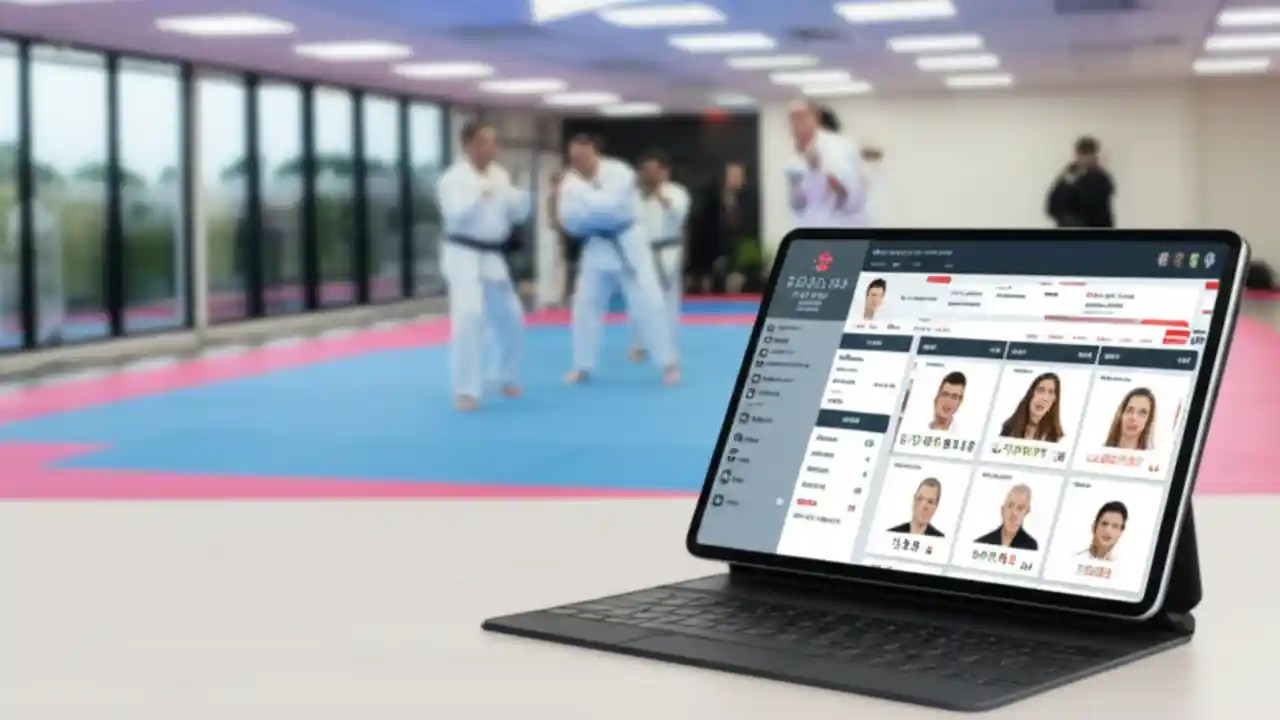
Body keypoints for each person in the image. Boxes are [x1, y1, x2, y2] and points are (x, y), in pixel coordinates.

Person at [557, 134, 679, 386]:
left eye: (583, 156)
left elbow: (609, 206)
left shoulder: (619, 172)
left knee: (649, 301)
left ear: (595, 153)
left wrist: (584, 203)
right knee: (584, 304)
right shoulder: (569, 182)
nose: (579, 162)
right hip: (596, 245)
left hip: (628, 241)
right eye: (574, 158)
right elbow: (569, 220)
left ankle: (667, 363)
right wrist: (588, 213)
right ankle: (582, 365)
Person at [436, 120, 531, 412]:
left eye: (493, 142)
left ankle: (505, 376)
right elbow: (456, 212)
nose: (491, 148)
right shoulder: (452, 178)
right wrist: (480, 192)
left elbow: (516, 215)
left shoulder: (500, 175)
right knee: (470, 315)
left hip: (491, 255)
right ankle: (466, 390)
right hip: (462, 252)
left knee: (512, 316)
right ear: (468, 145)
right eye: (484, 142)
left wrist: (521, 195)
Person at [629, 149, 690, 363]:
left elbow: (678, 215)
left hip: (668, 251)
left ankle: (669, 346)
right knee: (639, 297)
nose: (650, 175)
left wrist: (658, 195)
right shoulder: (634, 195)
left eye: (655, 170)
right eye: (646, 171)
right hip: (640, 249)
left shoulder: (676, 192)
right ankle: (639, 343)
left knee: (668, 301)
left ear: (665, 172)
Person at [785, 98, 866, 228]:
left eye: (802, 117)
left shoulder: (839, 146)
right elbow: (798, 205)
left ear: (816, 118)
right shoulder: (792, 160)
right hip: (808, 230)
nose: (797, 124)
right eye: (792, 119)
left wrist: (818, 169)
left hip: (840, 228)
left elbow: (850, 195)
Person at [688, 161, 754, 294]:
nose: (737, 179)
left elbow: (748, 235)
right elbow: (699, 231)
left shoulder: (749, 202)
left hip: (736, 261)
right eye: (733, 175)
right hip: (709, 258)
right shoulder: (708, 200)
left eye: (740, 176)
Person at [1045, 135, 1115, 228]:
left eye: (1091, 153)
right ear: (1077, 155)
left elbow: (1100, 209)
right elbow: (1053, 206)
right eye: (1084, 153)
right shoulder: (1068, 175)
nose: (1088, 158)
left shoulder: (1101, 178)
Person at [999, 372, 1065, 442]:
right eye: (1041, 390)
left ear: (1054, 400)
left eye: (1051, 392)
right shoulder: (1009, 427)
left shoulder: (1056, 437)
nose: (1044, 398)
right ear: (1031, 393)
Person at [974, 484, 1038, 550]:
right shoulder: (981, 543)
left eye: (1020, 508)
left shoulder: (1031, 546)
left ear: (1026, 512)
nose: (1014, 513)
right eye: (1010, 505)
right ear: (1002, 510)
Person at [860, 144, 895, 227]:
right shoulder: (860, 169)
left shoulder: (883, 170)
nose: (872, 158)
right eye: (868, 155)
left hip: (880, 211)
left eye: (874, 155)